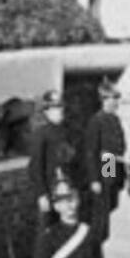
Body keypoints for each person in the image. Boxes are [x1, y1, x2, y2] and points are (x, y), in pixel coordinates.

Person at [83, 79, 127, 246]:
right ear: (104, 100)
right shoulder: (97, 121)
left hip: (115, 163)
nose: (115, 102)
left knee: (113, 204)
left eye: (116, 98)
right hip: (106, 165)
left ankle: (108, 242)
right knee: (103, 208)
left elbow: (120, 145)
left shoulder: (114, 119)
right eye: (112, 98)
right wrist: (95, 179)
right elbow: (91, 152)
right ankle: (98, 243)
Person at [28, 90, 76, 231]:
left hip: (69, 188)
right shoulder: (41, 134)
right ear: (46, 112)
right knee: (49, 230)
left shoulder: (67, 131)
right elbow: (35, 167)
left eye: (61, 107)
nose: (60, 111)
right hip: (51, 190)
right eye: (55, 108)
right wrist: (42, 193)